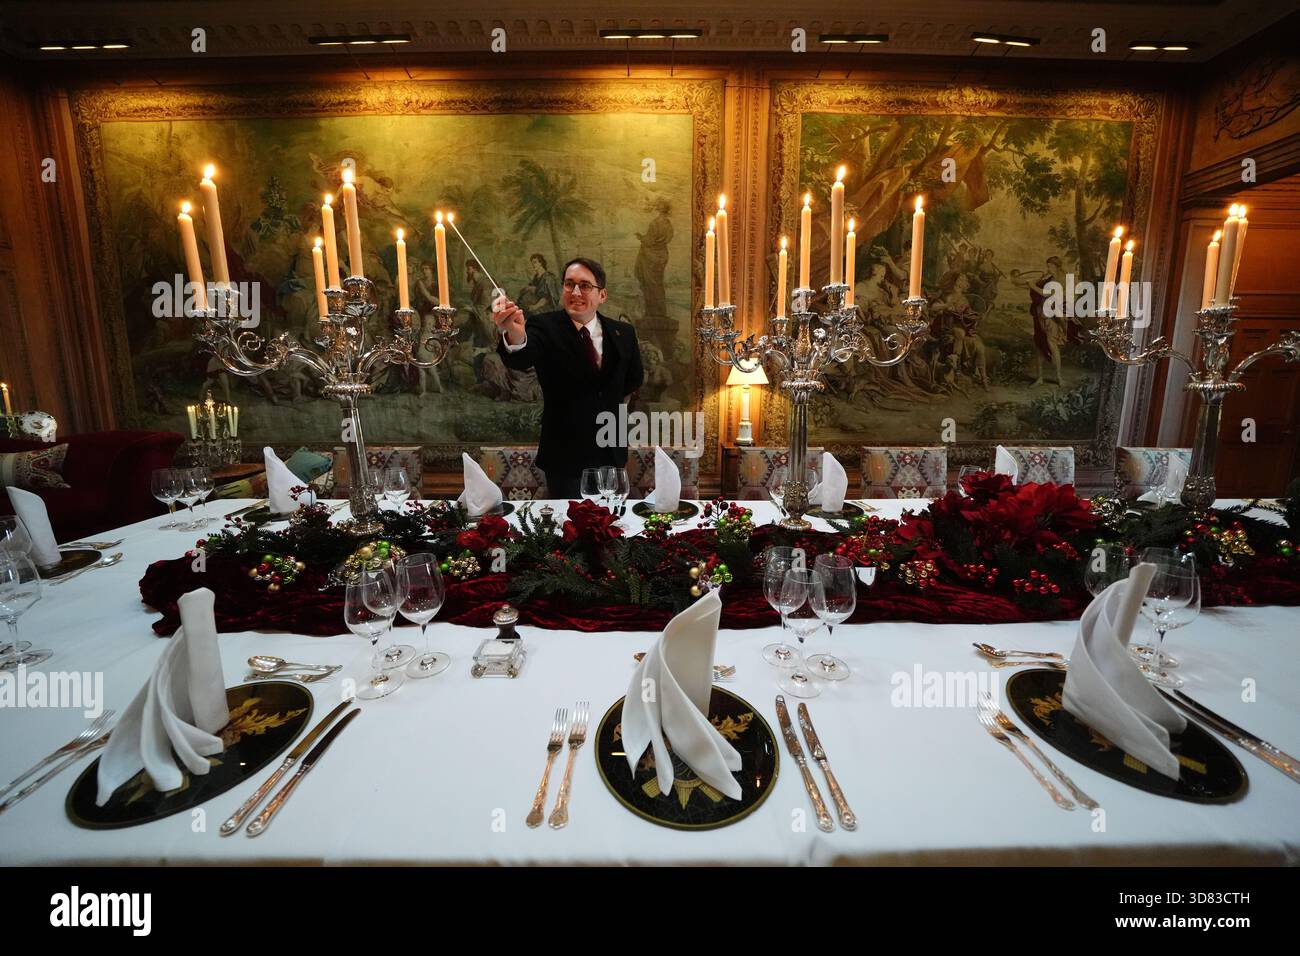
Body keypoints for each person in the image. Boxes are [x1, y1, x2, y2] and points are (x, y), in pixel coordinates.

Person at [492, 257, 644, 498]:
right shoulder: (543, 326)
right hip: (564, 459)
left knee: (613, 528)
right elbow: (522, 357)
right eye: (569, 284)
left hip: (611, 455)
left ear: (602, 295)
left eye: (584, 285)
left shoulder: (624, 333)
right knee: (570, 531)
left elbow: (633, 380)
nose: (575, 292)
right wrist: (514, 333)